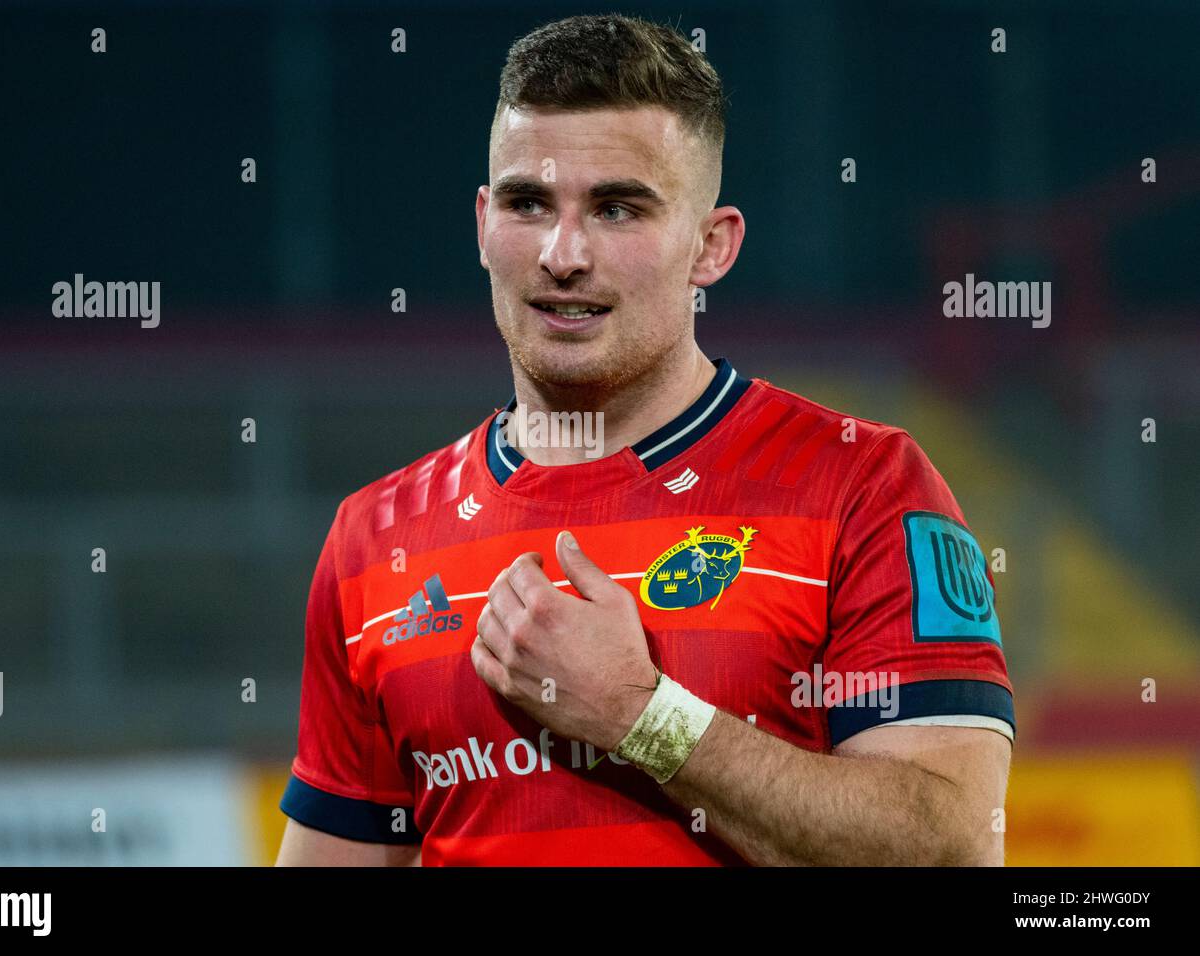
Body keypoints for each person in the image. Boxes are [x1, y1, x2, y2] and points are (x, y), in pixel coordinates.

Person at [276, 13, 1013, 867]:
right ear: (483, 224)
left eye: (617, 208)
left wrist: (638, 715)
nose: (563, 254)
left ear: (712, 246)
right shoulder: (375, 541)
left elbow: (949, 846)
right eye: (527, 203)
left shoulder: (863, 486)